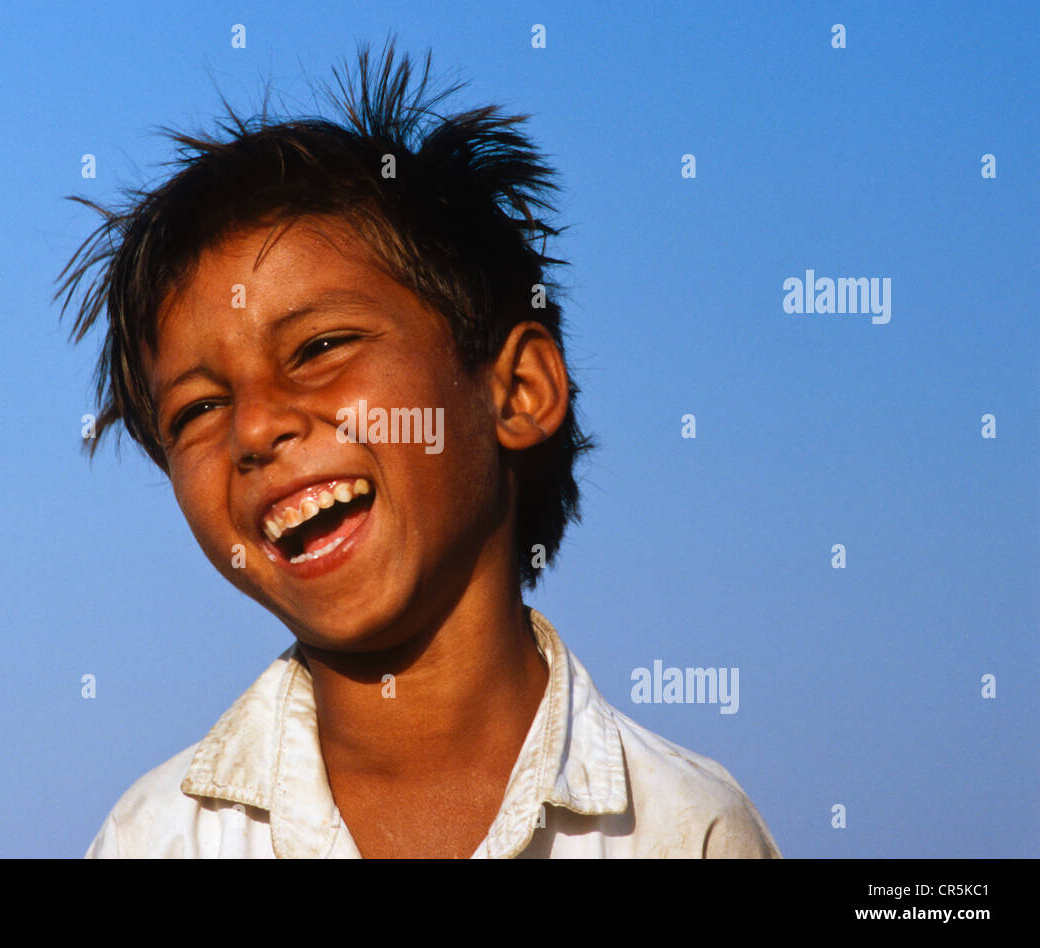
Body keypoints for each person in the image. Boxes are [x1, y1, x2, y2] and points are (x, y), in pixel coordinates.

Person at [58, 41, 780, 859]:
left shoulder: (683, 828)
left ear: (518, 393)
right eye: (199, 408)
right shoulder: (157, 840)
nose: (254, 429)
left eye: (320, 346)